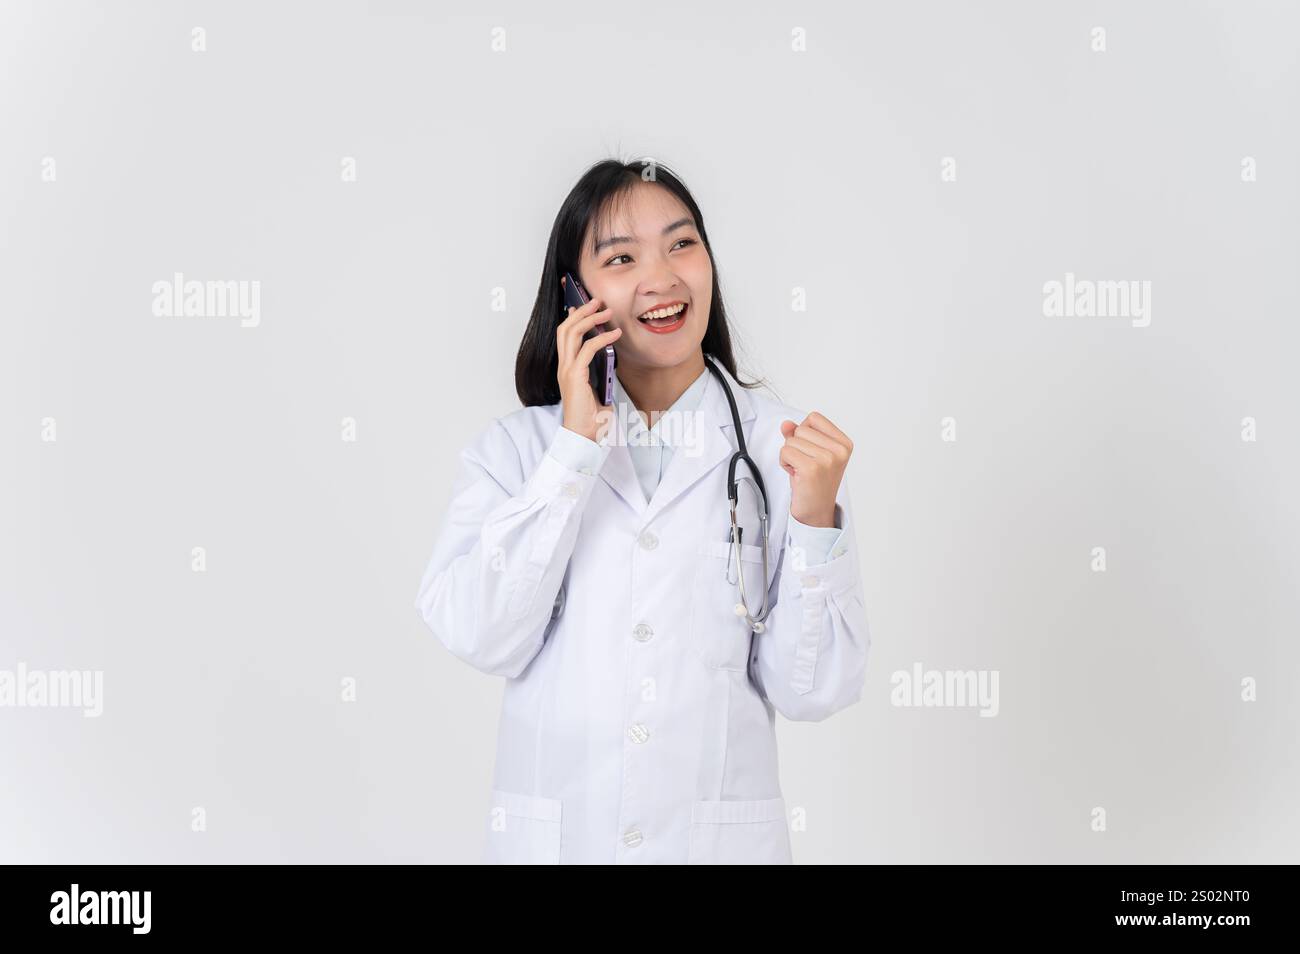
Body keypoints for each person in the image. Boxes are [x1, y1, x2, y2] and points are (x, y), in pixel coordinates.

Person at [415, 158, 870, 864]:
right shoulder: (514, 454)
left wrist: (814, 522)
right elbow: (481, 635)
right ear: (574, 296)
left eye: (682, 244)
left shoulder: (781, 451)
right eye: (621, 258)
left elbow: (812, 692)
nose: (662, 278)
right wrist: (572, 451)